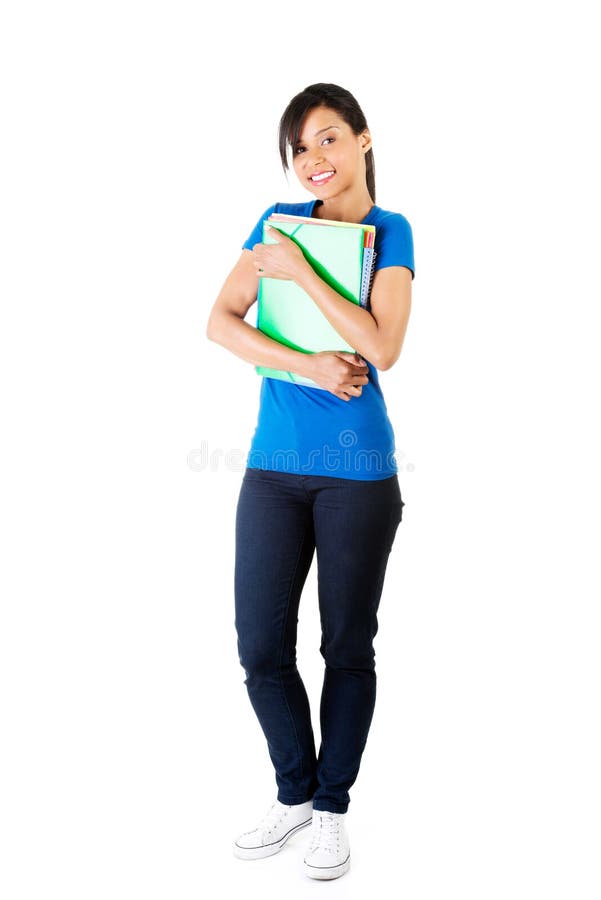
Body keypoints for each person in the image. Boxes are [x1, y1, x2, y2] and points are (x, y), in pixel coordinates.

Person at [206, 82, 415, 880]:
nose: (312, 158)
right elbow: (220, 322)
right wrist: (305, 364)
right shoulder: (273, 225)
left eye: (327, 138)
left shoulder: (387, 232)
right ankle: (293, 792)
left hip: (358, 470)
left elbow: (381, 344)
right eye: (298, 147)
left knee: (345, 644)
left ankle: (331, 810)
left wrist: (297, 271)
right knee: (259, 644)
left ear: (362, 140)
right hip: (272, 467)